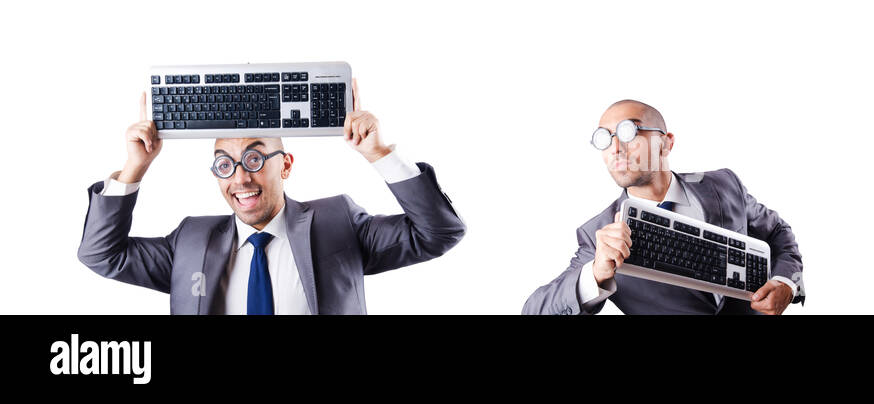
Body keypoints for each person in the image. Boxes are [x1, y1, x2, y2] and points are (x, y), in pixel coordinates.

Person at [77, 80, 466, 314]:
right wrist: (134, 169)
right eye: (224, 164)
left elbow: (438, 233)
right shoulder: (190, 241)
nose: (241, 177)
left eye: (254, 158)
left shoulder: (338, 222)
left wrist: (380, 154)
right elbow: (100, 254)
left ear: (286, 164)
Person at [523, 100, 805, 315]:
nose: (615, 148)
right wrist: (594, 273)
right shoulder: (598, 234)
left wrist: (786, 283)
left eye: (628, 131)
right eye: (604, 138)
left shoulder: (723, 184)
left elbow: (778, 232)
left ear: (666, 144)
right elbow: (534, 309)